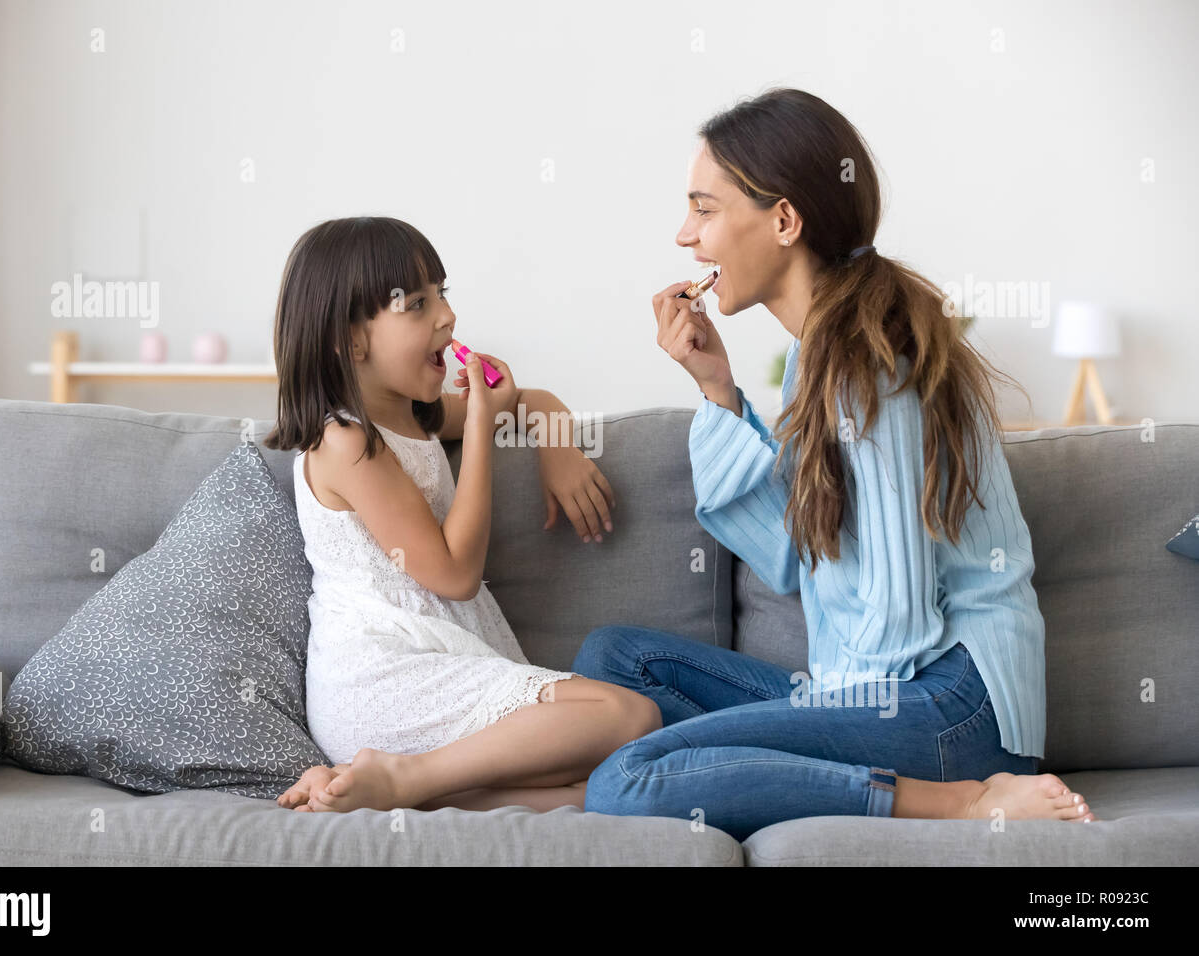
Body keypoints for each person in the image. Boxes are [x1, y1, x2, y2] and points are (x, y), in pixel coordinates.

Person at [572, 89, 1095, 841]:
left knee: (627, 781)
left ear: (784, 221)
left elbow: (898, 615)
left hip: (952, 708)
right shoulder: (820, 353)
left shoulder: (867, 362)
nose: (685, 235)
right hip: (885, 685)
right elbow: (794, 556)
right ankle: (785, 772)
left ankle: (964, 800)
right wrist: (717, 388)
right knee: (616, 658)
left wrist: (801, 719)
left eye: (704, 209)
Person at [266, 216, 659, 813]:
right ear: (350, 340)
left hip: (433, 659)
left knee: (601, 785)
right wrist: (478, 423)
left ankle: (390, 789)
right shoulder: (344, 442)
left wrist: (553, 436)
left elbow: (519, 400)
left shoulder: (412, 412)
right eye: (418, 304)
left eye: (443, 294)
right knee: (630, 715)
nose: (447, 318)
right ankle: (403, 780)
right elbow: (453, 574)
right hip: (380, 681)